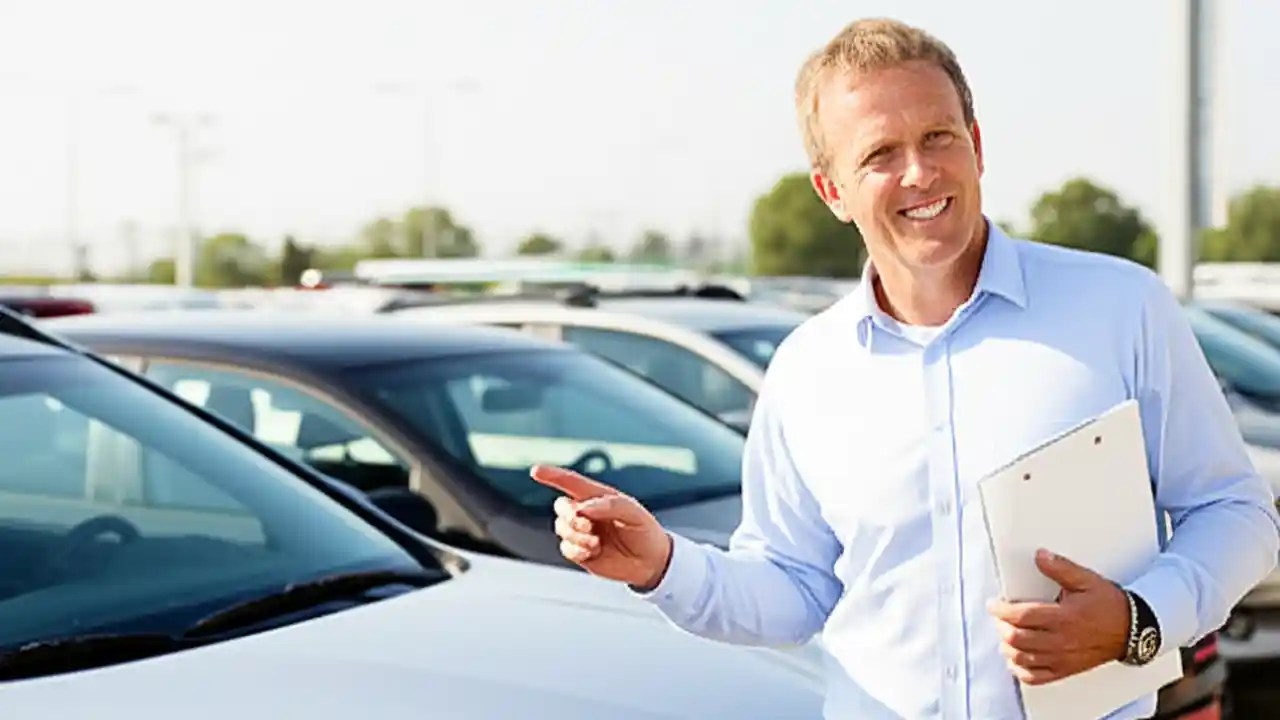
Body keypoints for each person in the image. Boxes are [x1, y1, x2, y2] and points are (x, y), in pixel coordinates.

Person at [530, 17, 1280, 720]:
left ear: (978, 145)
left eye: (939, 136)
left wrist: (1138, 621)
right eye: (880, 154)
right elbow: (794, 588)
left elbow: (1236, 513)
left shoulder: (1122, 308)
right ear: (832, 191)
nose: (920, 172)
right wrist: (660, 563)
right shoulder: (806, 373)